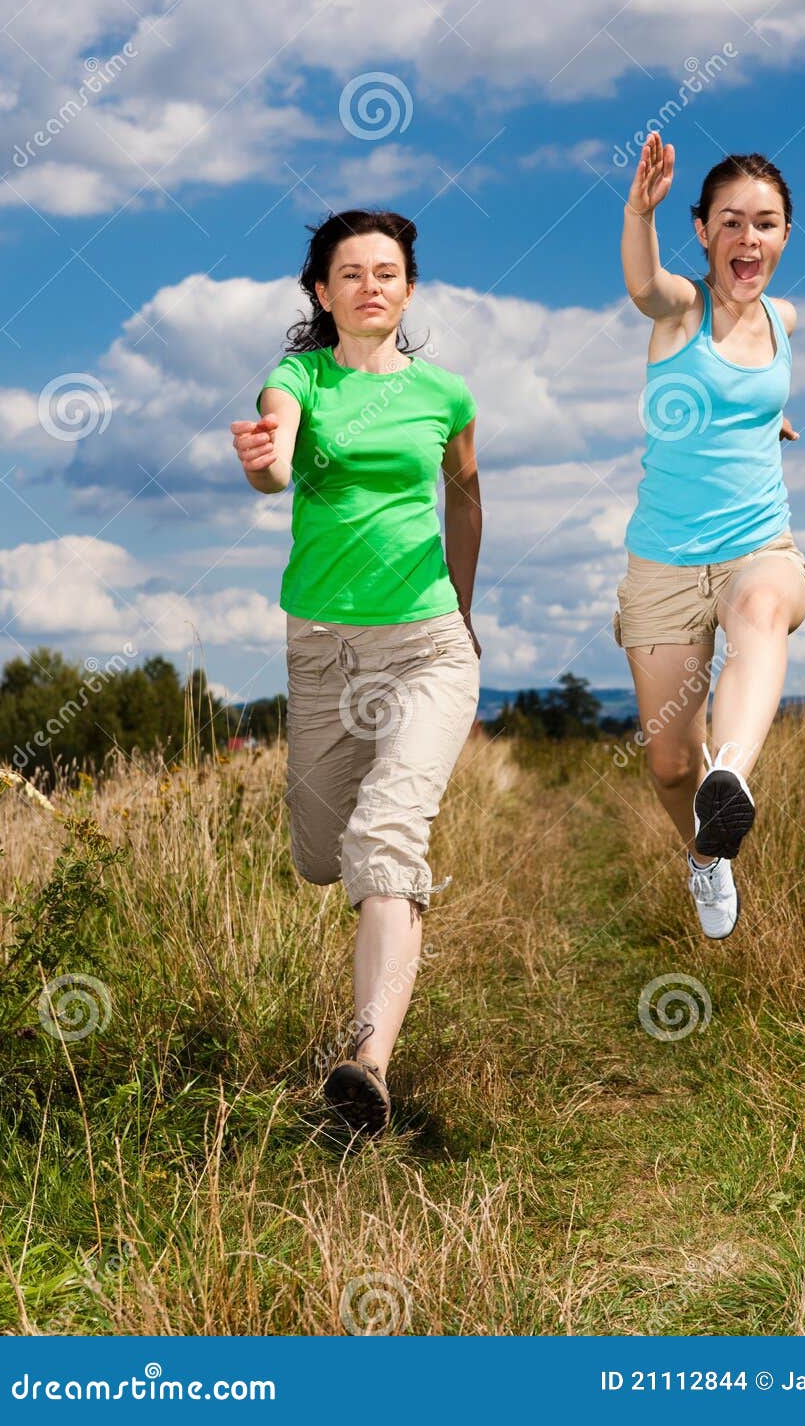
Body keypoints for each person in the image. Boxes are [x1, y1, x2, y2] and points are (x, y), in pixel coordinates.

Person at [231, 209, 482, 1136]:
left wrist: (464, 610)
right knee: (320, 856)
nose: (369, 285)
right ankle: (380, 938)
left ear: (408, 290)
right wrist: (265, 463)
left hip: (425, 646)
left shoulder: (445, 394)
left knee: (386, 838)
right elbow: (275, 461)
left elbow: (465, 495)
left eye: (386, 272)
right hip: (324, 650)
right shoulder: (297, 378)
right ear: (322, 292)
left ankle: (365, 1065)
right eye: (350, 273)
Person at [616, 136, 805, 940]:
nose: (748, 238)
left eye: (764, 223)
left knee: (761, 610)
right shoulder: (681, 310)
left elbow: (754, 390)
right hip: (664, 563)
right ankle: (705, 854)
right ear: (701, 231)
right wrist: (639, 213)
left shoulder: (784, 319)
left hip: (758, 545)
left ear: (785, 234)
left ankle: (728, 776)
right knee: (669, 763)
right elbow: (643, 285)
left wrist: (771, 419)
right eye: (730, 222)